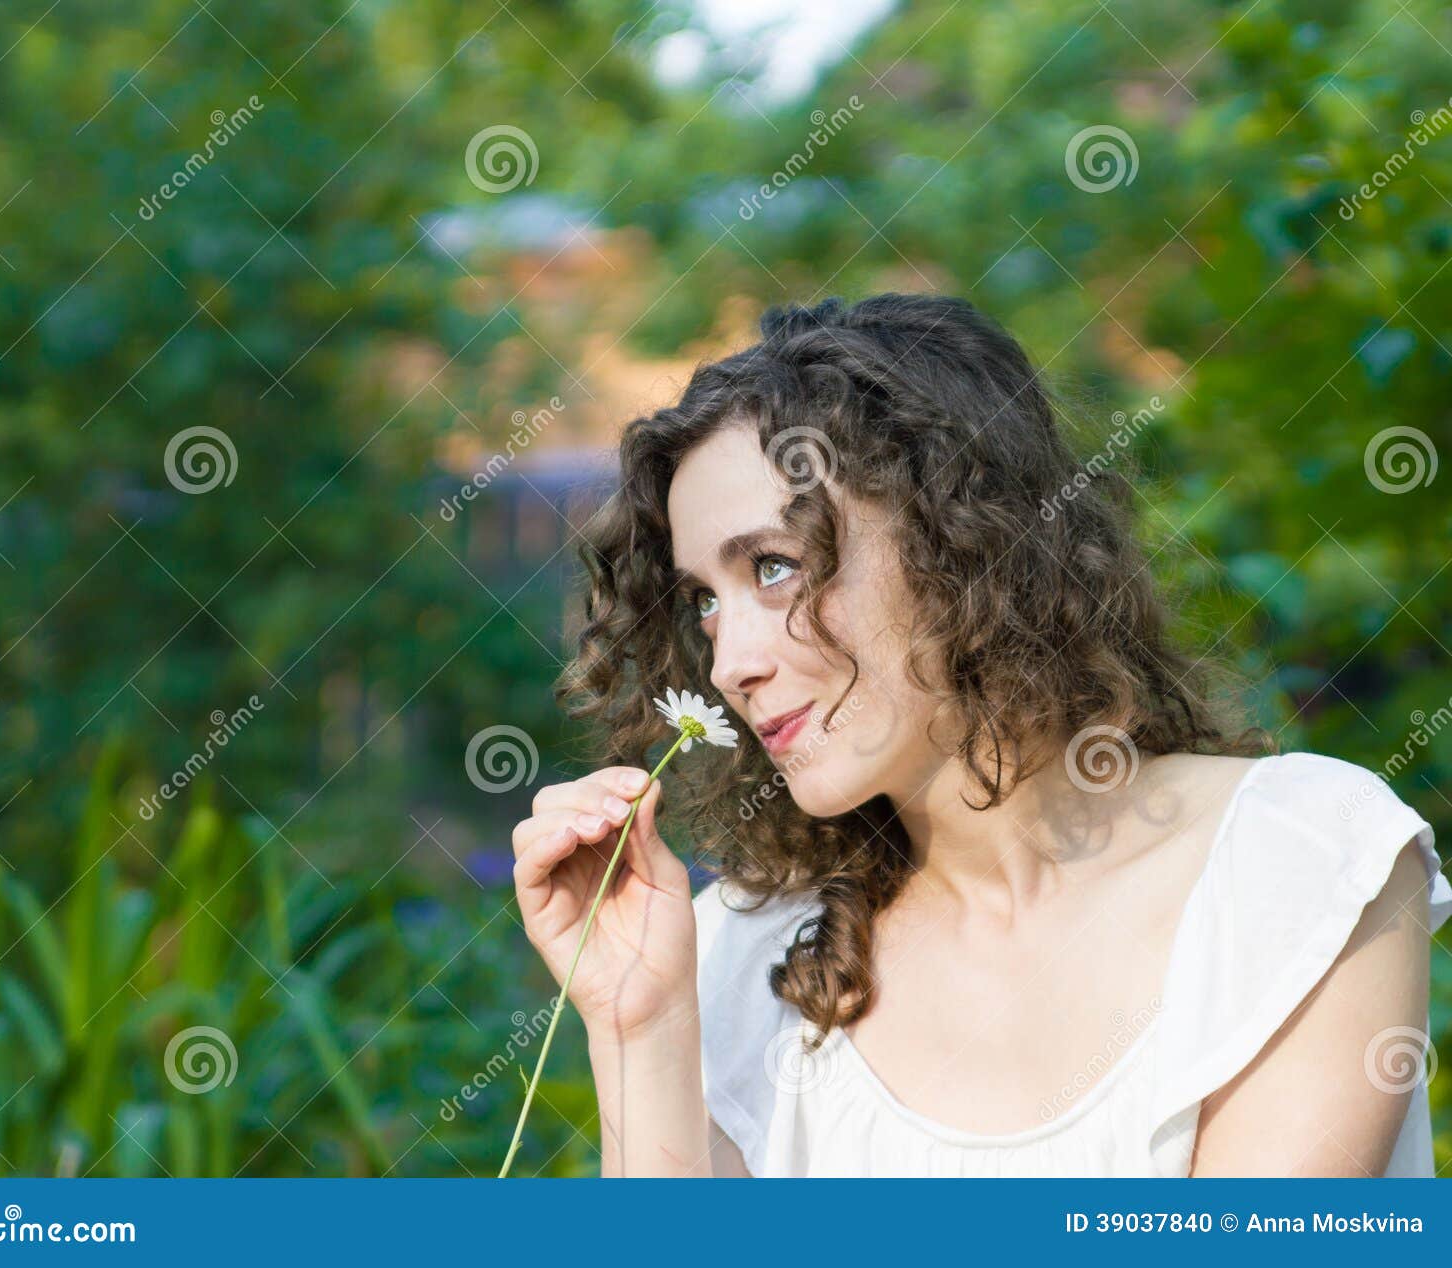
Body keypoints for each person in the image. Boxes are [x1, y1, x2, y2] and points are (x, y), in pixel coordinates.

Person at [509, 293, 1451, 1177]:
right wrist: (641, 1030)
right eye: (705, 602)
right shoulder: (731, 959)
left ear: (962, 536)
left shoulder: (1297, 860)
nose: (727, 664)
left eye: (777, 564)